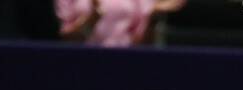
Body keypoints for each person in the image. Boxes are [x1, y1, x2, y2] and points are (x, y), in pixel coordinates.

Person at [56, 0, 185, 46]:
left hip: (123, 61)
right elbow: (66, 39)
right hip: (80, 62)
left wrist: (153, 17)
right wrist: (92, 19)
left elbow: (142, 44)